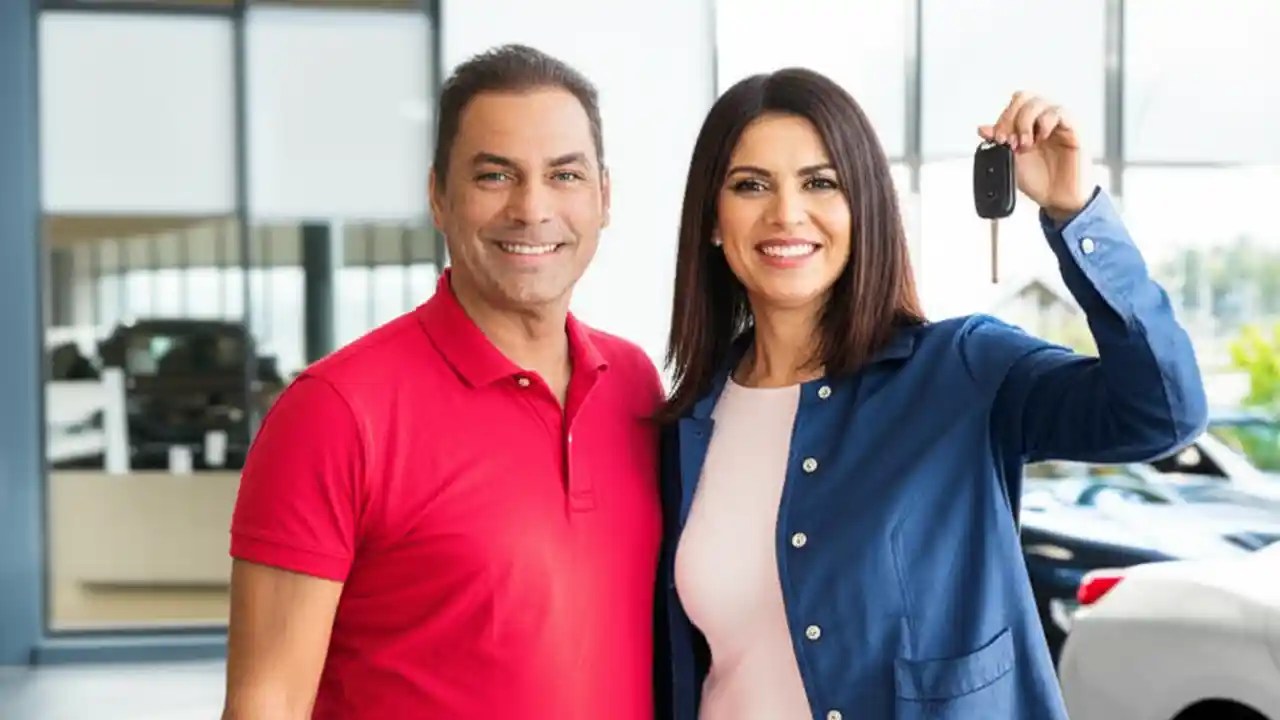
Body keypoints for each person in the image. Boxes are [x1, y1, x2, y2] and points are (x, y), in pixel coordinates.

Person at [654, 69, 1206, 720]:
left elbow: (1161, 413)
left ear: (864, 209)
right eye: (751, 185)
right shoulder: (689, 423)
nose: (786, 214)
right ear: (714, 222)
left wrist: (1073, 210)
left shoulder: (959, 369)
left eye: (821, 183)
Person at [222, 44, 666, 720]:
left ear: (604, 197)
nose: (532, 208)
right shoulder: (335, 413)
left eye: (565, 175)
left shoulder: (634, 387)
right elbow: (267, 704)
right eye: (495, 176)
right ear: (438, 196)